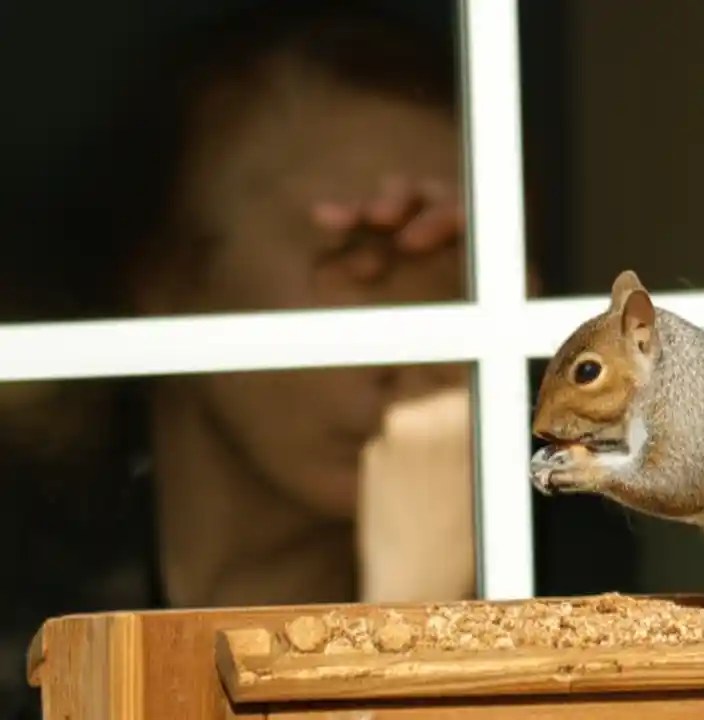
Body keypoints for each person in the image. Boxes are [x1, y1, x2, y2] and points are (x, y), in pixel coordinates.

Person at [0, 2, 481, 716]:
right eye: (361, 258)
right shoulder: (28, 608)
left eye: (459, 276)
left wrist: (431, 614)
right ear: (166, 278)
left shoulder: (566, 567)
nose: (417, 340)